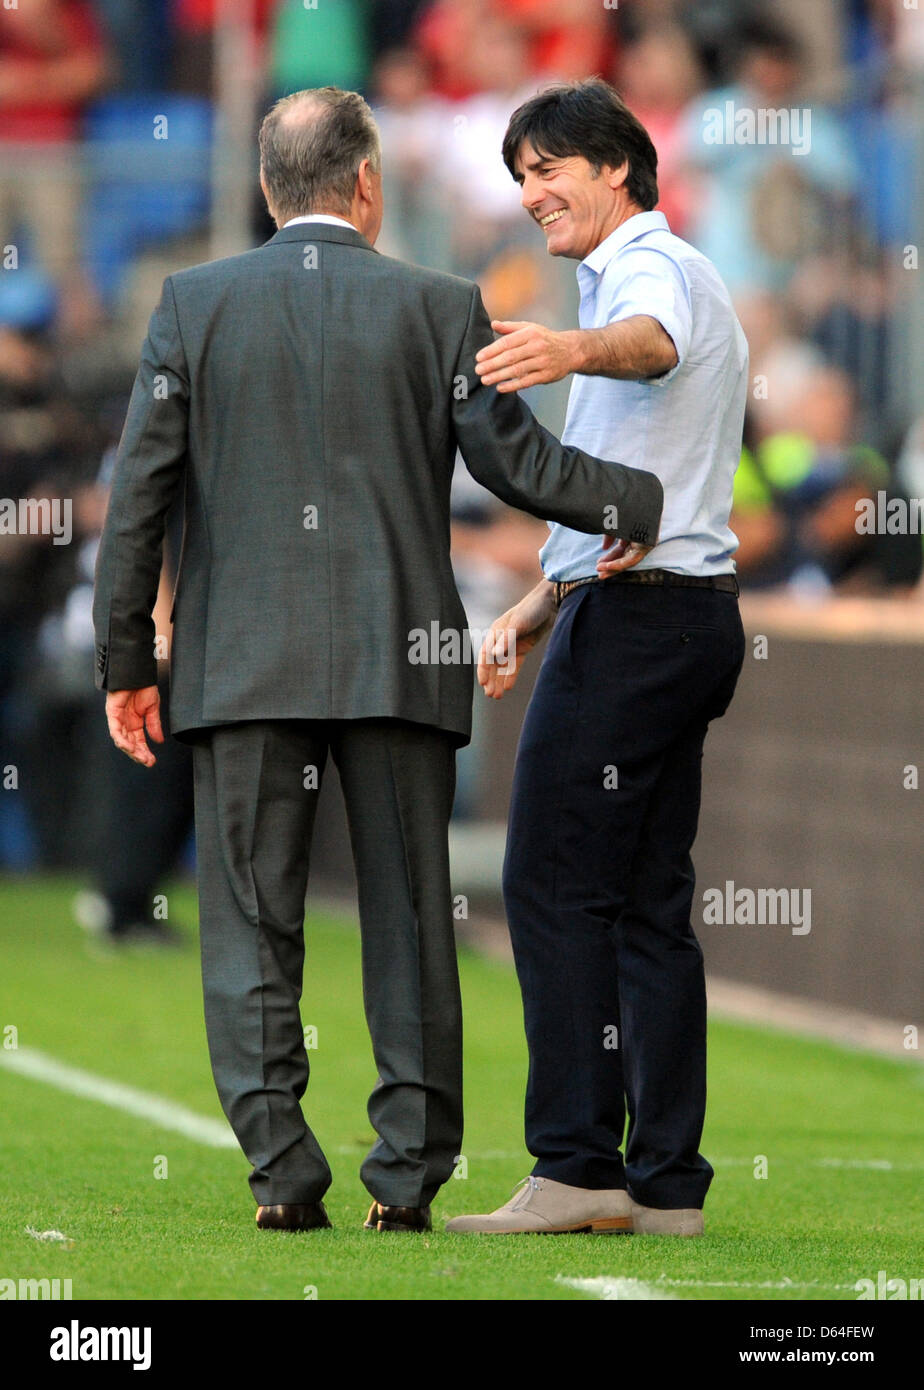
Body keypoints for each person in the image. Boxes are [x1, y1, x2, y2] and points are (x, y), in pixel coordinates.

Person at [92, 87, 663, 1236]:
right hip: (401, 661)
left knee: (252, 919)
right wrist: (640, 498)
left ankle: (280, 1175)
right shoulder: (438, 305)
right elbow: (517, 466)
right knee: (409, 917)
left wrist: (126, 661)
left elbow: (137, 498)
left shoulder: (191, 305)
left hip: (239, 665)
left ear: (268, 190)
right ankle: (406, 1179)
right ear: (367, 185)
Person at [446, 78, 748, 1238]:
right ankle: (668, 1183)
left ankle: (576, 1164)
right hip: (685, 613)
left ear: (617, 165)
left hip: (636, 633)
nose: (531, 192)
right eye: (520, 175)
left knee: (551, 883)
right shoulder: (662, 267)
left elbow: (650, 343)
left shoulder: (645, 268)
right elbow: (628, 501)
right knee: (645, 904)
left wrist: (568, 344)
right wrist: (533, 605)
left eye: (549, 166)